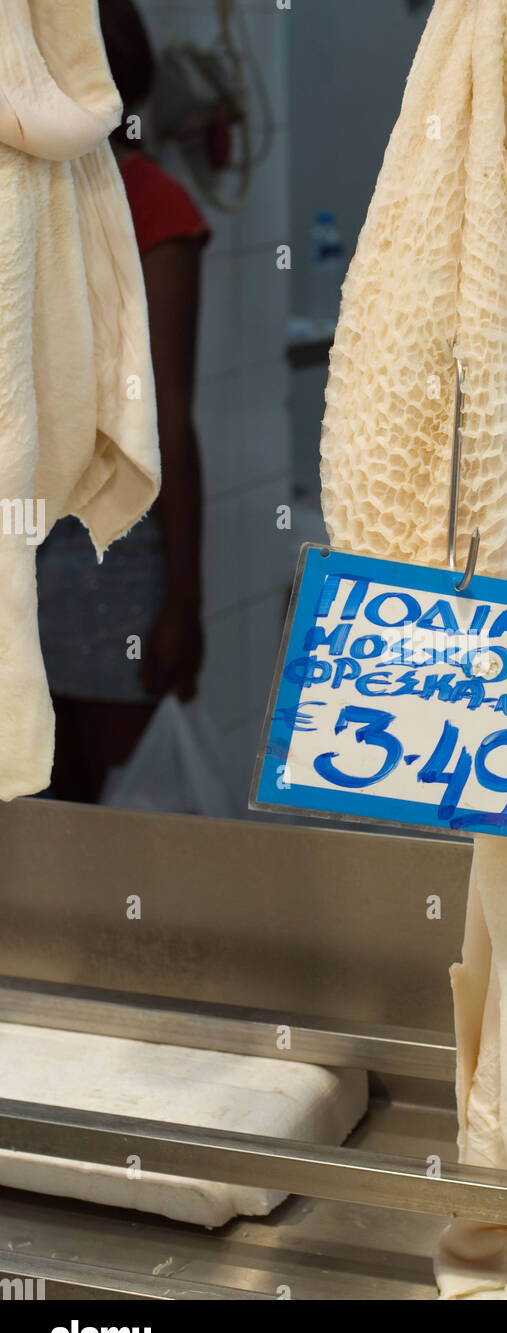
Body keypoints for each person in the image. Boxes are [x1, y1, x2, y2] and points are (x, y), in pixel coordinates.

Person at [37, 0, 209, 803]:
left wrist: (183, 598)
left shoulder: (150, 206)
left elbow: (167, 412)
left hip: (113, 552)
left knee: (101, 811)